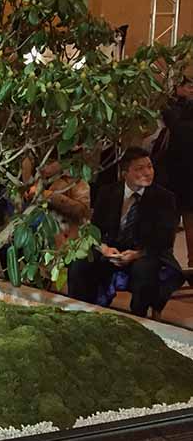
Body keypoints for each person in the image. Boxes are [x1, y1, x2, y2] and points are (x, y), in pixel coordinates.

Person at [67, 147, 182, 318]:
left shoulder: (164, 198)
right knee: (80, 263)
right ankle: (79, 312)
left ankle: (138, 317)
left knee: (145, 269)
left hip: (144, 251)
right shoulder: (107, 192)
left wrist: (136, 254)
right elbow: (95, 228)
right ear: (125, 173)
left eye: (149, 167)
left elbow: (164, 240)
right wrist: (104, 248)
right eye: (139, 169)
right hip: (111, 249)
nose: (147, 173)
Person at [158, 77, 193, 267]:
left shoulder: (176, 121)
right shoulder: (177, 118)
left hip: (174, 182)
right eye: (188, 86)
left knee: (169, 228)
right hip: (180, 182)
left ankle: (167, 266)